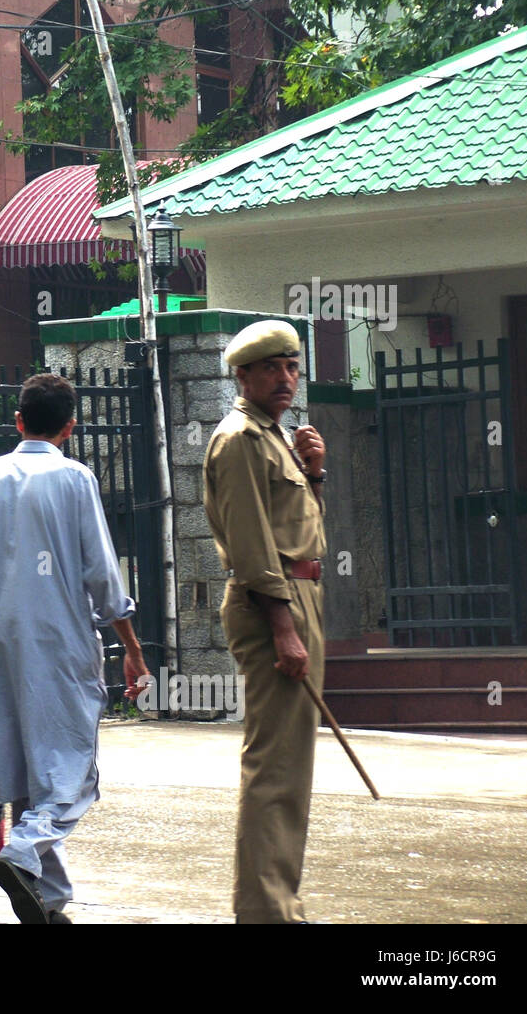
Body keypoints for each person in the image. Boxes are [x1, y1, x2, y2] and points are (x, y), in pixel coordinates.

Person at [0, 373, 148, 924]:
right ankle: (21, 851)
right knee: (70, 765)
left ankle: (48, 896)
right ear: (70, 427)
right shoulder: (75, 478)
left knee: (26, 763)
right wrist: (130, 645)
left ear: (18, 421)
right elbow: (102, 573)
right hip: (59, 641)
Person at [203, 319, 327, 924]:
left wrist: (316, 473)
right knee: (275, 766)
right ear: (243, 374)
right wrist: (283, 627)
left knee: (291, 764)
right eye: (273, 367)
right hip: (272, 603)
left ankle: (279, 902)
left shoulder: (276, 436)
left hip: (301, 595)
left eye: (292, 367)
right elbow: (253, 544)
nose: (286, 377)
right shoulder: (240, 439)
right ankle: (266, 912)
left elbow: (296, 527)